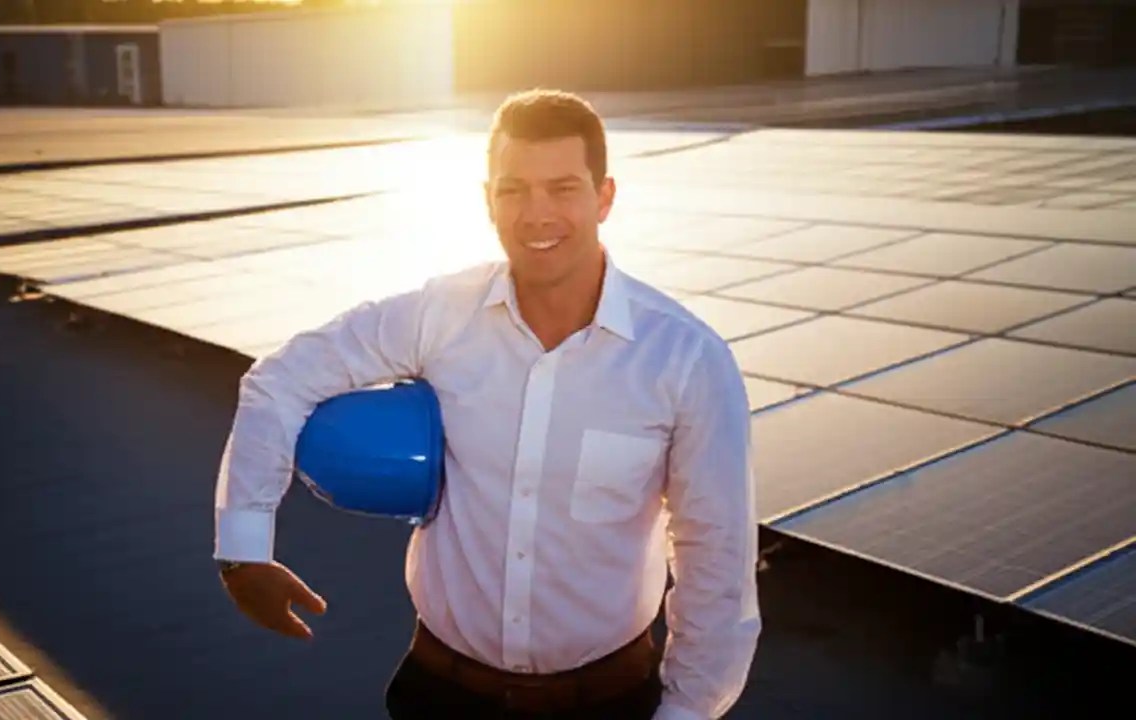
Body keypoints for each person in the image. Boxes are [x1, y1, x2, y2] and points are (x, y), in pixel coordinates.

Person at [213, 89, 760, 720]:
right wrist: (243, 551)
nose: (537, 214)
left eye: (563, 189)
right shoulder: (441, 315)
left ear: (604, 197)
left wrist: (685, 711)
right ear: (487, 201)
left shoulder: (686, 358)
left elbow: (715, 554)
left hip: (608, 703)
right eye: (513, 190)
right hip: (441, 696)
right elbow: (279, 380)